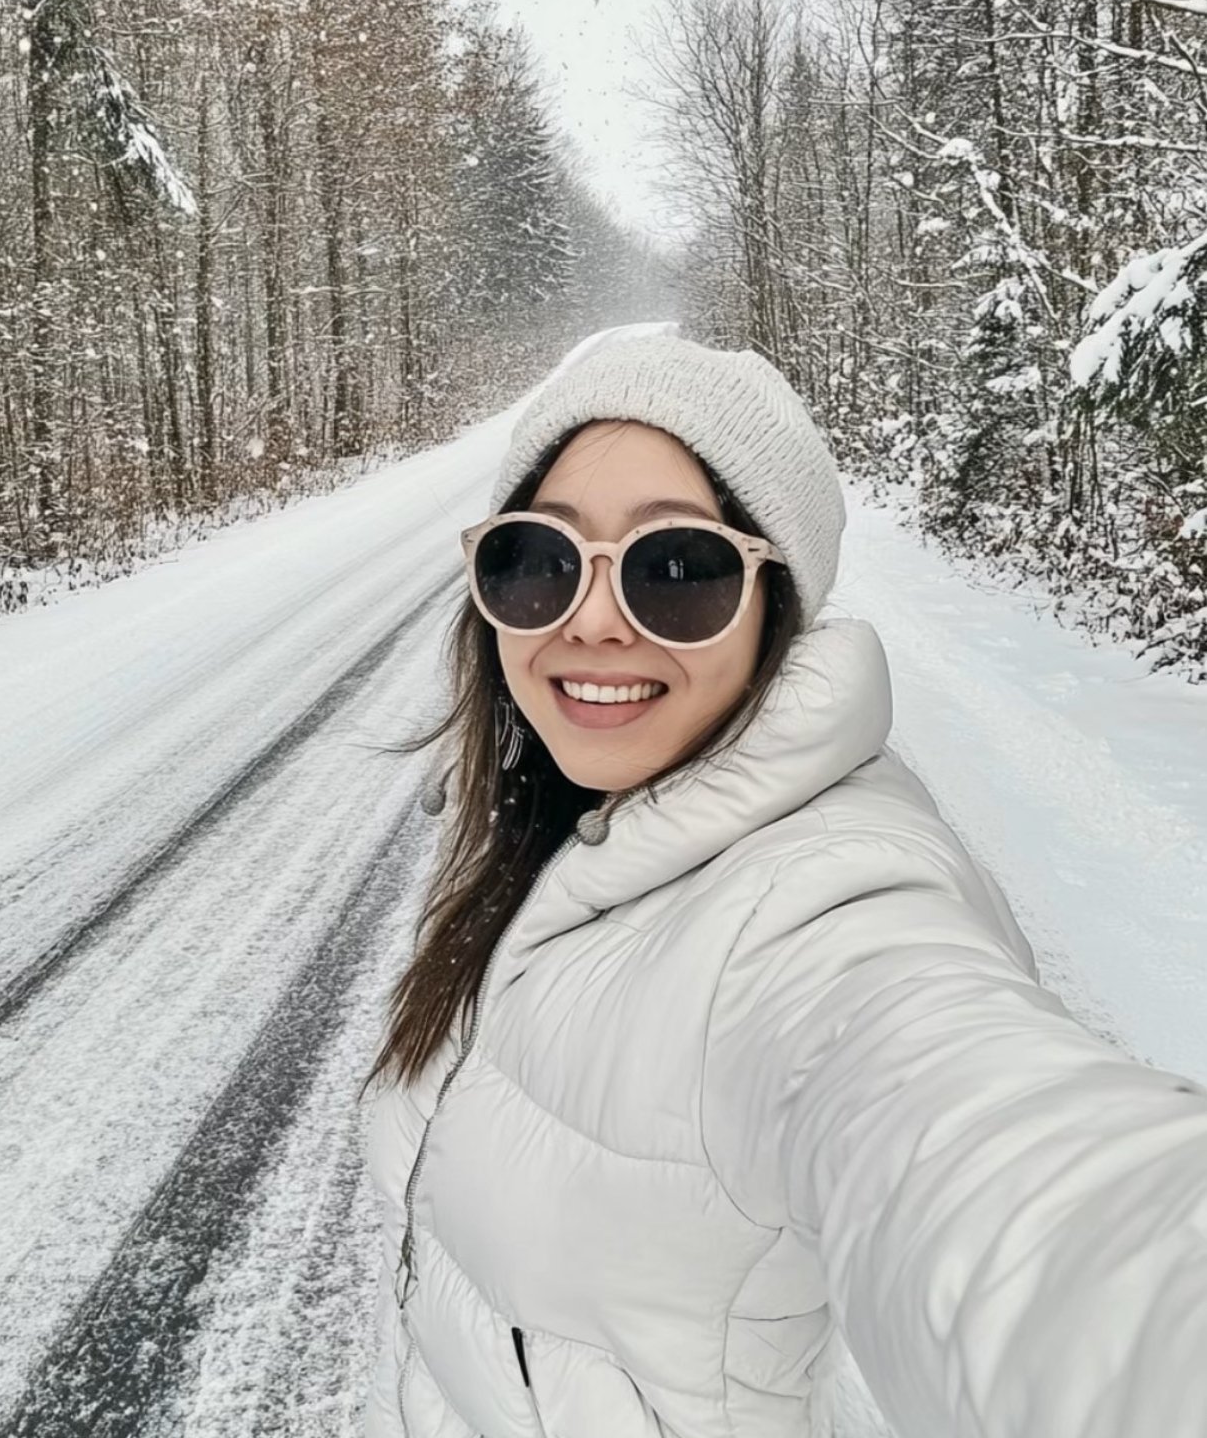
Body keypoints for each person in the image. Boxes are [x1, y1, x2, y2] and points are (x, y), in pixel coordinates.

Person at [360, 331, 1207, 1438]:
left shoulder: (817, 905)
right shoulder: (544, 829)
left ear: (773, 610)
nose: (593, 619)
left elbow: (994, 1166)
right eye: (538, 560)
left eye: (678, 569)